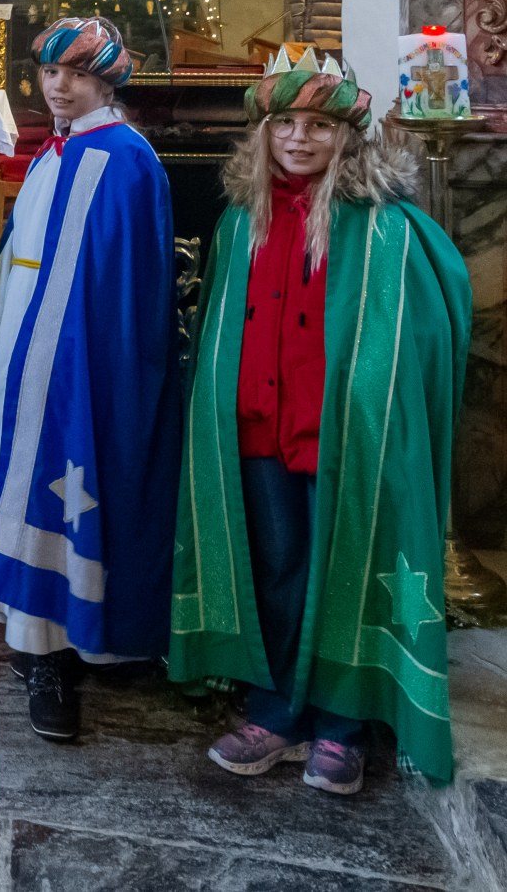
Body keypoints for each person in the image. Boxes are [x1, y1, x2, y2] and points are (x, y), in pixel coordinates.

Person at [171, 52, 472, 793]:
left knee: (346, 575)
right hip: (260, 431)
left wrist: (374, 407)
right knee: (277, 571)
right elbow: (218, 324)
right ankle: (277, 713)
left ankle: (341, 725)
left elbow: (423, 330)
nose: (300, 140)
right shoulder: (244, 223)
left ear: (347, 137)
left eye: (318, 127)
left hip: (344, 438)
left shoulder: (386, 227)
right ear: (265, 134)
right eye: (287, 126)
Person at [0, 16, 181, 743]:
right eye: (50, 73)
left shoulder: (125, 159)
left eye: (76, 76)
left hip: (80, 365)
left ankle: (60, 648)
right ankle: (31, 632)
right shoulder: (59, 149)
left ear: (106, 81)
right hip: (28, 352)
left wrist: (91, 370)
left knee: (65, 487)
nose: (58, 87)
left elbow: (128, 288)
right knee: (19, 478)